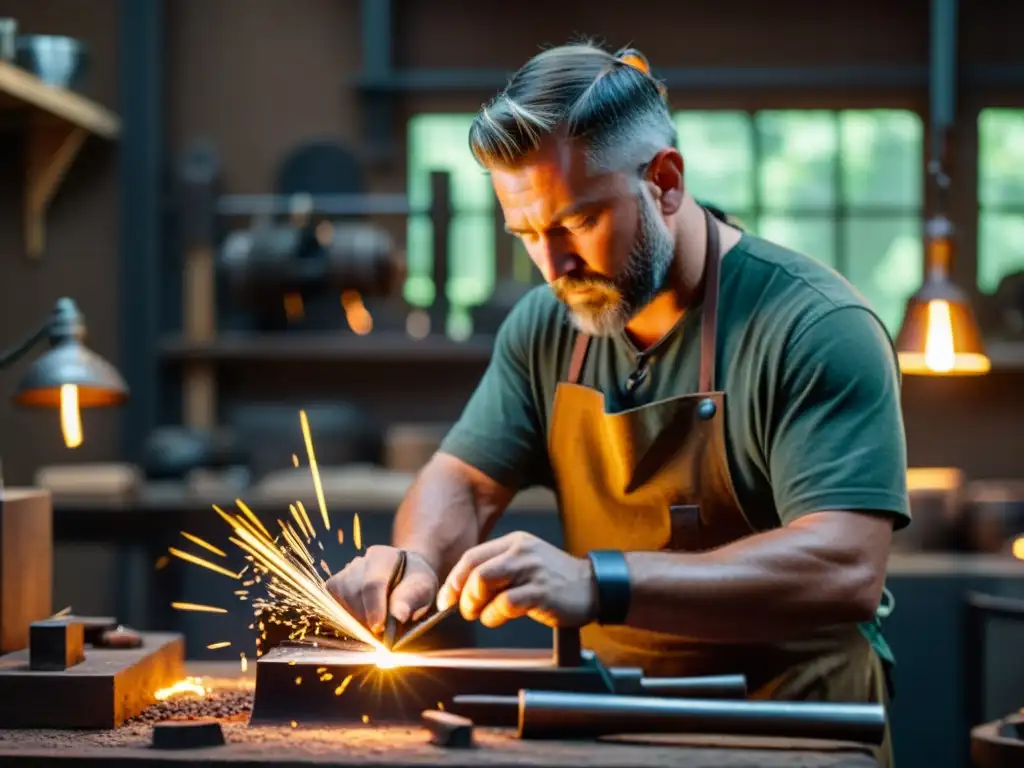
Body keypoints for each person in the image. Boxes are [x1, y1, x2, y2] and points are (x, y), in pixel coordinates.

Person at [327, 42, 909, 764]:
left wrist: (594, 580)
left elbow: (847, 565)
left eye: (576, 222)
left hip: (797, 729)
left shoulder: (814, 327)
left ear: (664, 181)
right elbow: (464, 483)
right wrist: (414, 559)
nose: (554, 264)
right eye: (527, 235)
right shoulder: (546, 328)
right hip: (615, 726)